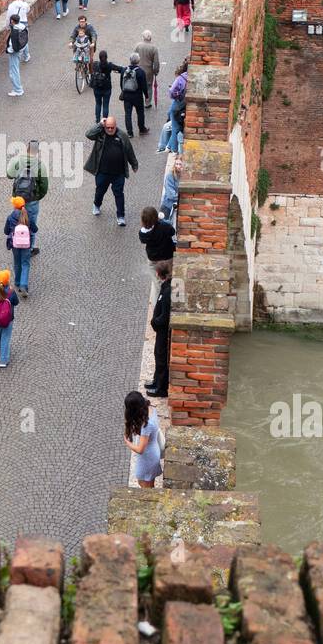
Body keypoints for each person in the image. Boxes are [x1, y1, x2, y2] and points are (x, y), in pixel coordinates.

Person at [85, 115, 138, 226]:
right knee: (100, 191)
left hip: (118, 173)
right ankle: (96, 204)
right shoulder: (100, 133)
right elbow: (88, 134)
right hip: (102, 172)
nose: (109, 130)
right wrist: (100, 125)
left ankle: (121, 216)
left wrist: (134, 164)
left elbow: (129, 150)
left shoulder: (122, 136)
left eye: (112, 127)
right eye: (107, 127)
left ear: (115, 126)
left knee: (119, 194)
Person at [6, 141, 48, 248]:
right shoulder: (40, 165)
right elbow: (44, 186)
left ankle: (16, 241)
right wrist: (37, 197)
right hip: (32, 200)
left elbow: (9, 175)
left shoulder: (17, 160)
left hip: (18, 199)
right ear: (37, 151)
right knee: (31, 223)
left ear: (26, 148)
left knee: (17, 219)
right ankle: (30, 247)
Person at [123, 391, 163, 488]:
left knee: (143, 484)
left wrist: (127, 442)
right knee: (149, 483)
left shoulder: (146, 425)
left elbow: (140, 450)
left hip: (147, 458)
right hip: (153, 451)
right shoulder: (150, 408)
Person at [146, 263, 173, 396]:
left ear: (158, 274)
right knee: (158, 355)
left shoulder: (168, 291)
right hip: (160, 330)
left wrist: (155, 321)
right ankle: (156, 381)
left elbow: (165, 315)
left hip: (163, 331)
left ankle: (161, 388)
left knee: (162, 358)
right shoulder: (165, 286)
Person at [140, 206, 176, 302]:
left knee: (158, 284)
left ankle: (159, 305)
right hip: (168, 257)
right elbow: (172, 231)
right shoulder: (164, 226)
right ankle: (173, 299)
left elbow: (142, 240)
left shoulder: (143, 233)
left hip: (154, 260)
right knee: (170, 279)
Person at [4, 197, 33, 297]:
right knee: (25, 263)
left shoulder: (10, 216)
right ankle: (23, 285)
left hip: (15, 244)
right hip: (26, 245)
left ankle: (17, 282)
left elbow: (6, 231)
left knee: (17, 262)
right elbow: (34, 228)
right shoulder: (28, 215)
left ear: (14, 206)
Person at [0, 270, 20, 367]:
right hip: (9, 319)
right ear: (7, 281)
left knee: (0, 334)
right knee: (5, 337)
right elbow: (16, 302)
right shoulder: (11, 292)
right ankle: (3, 360)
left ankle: (1, 351)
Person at [89, 51, 124, 123]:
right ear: (106, 57)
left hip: (97, 88)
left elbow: (91, 69)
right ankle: (104, 121)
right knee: (105, 105)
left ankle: (98, 120)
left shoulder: (95, 64)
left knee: (98, 104)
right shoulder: (109, 65)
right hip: (106, 88)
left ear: (99, 57)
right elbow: (120, 68)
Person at [120, 53, 149, 136]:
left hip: (127, 95)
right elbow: (144, 86)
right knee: (140, 113)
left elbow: (121, 83)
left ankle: (130, 132)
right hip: (137, 96)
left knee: (128, 114)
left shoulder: (124, 70)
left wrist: (123, 91)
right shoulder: (140, 72)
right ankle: (141, 129)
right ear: (138, 61)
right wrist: (146, 96)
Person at [135, 30, 160, 110]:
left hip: (138, 70)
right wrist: (156, 71)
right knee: (149, 86)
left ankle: (139, 101)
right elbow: (156, 62)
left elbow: (134, 57)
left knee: (138, 86)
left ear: (143, 37)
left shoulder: (138, 46)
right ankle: (147, 102)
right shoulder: (154, 48)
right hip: (148, 71)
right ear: (150, 38)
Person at [6, 15, 27, 96]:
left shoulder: (15, 31)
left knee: (13, 72)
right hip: (20, 50)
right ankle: (18, 88)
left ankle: (18, 90)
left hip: (14, 53)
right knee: (15, 70)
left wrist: (8, 50)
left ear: (12, 21)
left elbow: (12, 46)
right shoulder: (23, 27)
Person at [160, 153, 184, 221]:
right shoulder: (170, 176)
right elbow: (171, 195)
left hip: (179, 205)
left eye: (180, 164)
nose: (178, 166)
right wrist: (183, 197)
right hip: (168, 205)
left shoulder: (185, 175)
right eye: (177, 164)